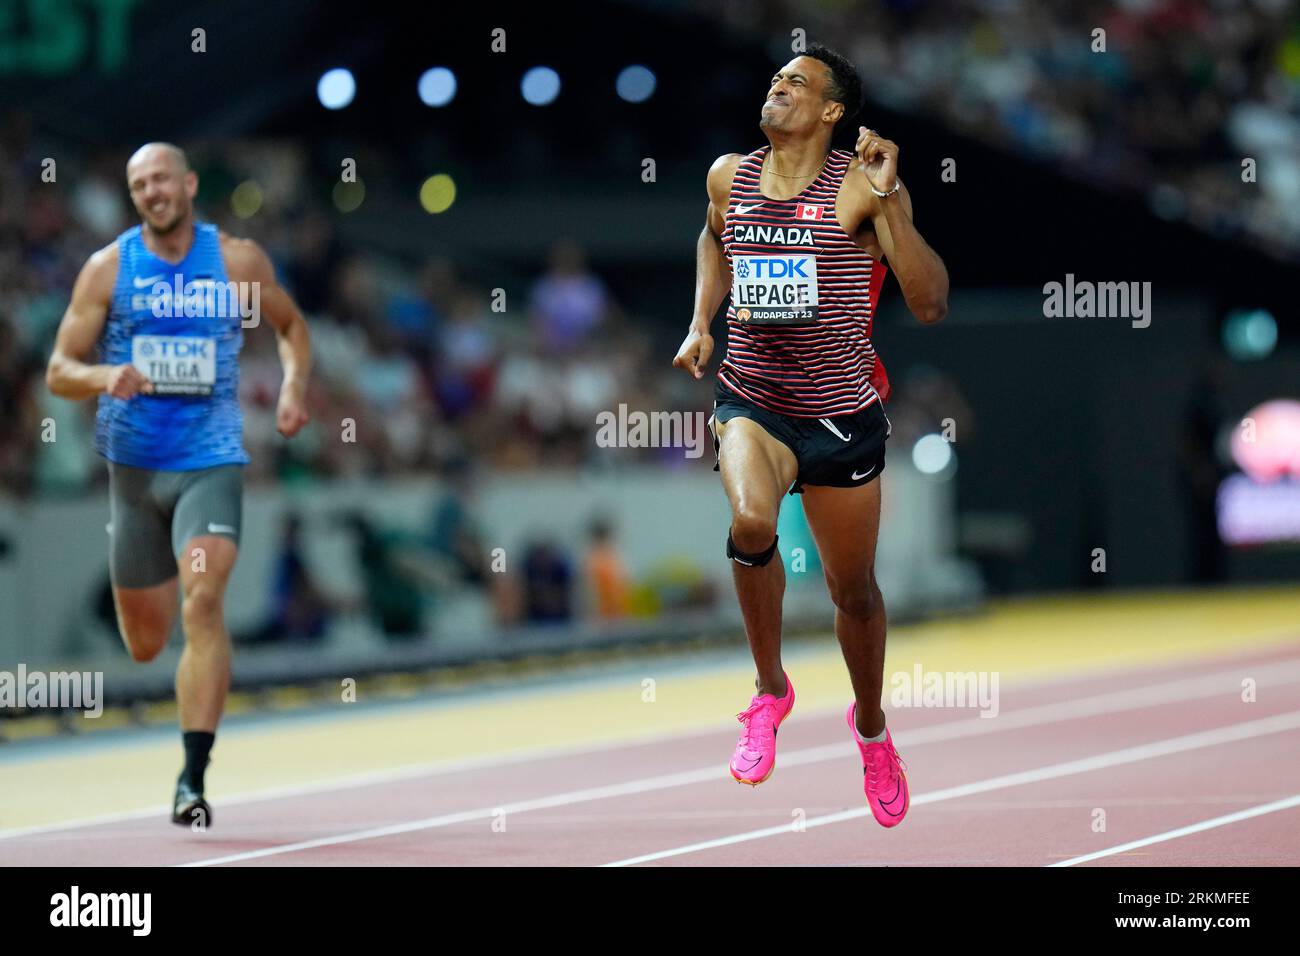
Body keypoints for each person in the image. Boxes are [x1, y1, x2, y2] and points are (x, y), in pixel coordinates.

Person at [671, 45, 949, 828]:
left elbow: (930, 302)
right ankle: (769, 691)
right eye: (774, 79)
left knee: (852, 593)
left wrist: (892, 199)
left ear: (832, 111)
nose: (778, 87)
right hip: (753, 401)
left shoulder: (859, 186)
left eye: (797, 82)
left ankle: (871, 732)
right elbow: (712, 237)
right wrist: (701, 322)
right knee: (753, 522)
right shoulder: (730, 174)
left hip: (842, 418)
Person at [45, 142, 312, 827]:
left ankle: (192, 779)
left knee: (202, 599)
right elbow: (59, 369)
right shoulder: (108, 269)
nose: (152, 190)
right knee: (145, 641)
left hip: (210, 461)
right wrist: (107, 377)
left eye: (161, 177)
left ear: (189, 184)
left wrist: (292, 392)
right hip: (134, 478)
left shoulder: (235, 262)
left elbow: (291, 327)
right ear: (133, 197)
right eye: (139, 184)